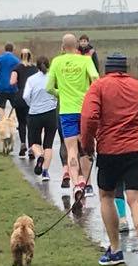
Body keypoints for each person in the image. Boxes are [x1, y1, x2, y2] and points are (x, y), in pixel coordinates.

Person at [81, 53, 138, 266]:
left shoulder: (98, 87)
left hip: (109, 150)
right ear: (125, 68)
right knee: (137, 200)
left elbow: (89, 118)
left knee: (107, 197)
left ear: (107, 69)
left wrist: (88, 145)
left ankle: (115, 250)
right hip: (135, 151)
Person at [46, 33, 99, 203]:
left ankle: (76, 184)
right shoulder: (85, 60)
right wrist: (90, 94)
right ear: (76, 46)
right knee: (85, 147)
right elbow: (96, 78)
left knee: (71, 149)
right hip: (84, 109)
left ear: (62, 47)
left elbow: (48, 87)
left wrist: (60, 93)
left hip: (66, 110)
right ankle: (88, 185)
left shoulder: (56, 62)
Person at [23, 56, 58, 183]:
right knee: (48, 144)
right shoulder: (53, 78)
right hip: (50, 113)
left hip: (35, 113)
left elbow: (26, 96)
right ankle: (45, 172)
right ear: (48, 66)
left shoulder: (31, 79)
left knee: (34, 142)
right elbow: (57, 92)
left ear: (37, 66)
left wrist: (31, 104)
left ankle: (39, 156)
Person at [10, 48, 38, 158]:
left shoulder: (17, 68)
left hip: (20, 98)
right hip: (31, 99)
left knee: (21, 123)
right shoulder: (35, 69)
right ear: (31, 56)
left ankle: (22, 144)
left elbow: (12, 82)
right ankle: (31, 148)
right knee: (31, 124)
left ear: (21, 56)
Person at [0, 43, 21, 119]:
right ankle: (12, 121)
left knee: (1, 107)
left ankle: (1, 122)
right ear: (13, 49)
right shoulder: (17, 60)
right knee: (15, 107)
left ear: (5, 49)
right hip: (13, 87)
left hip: (2, 86)